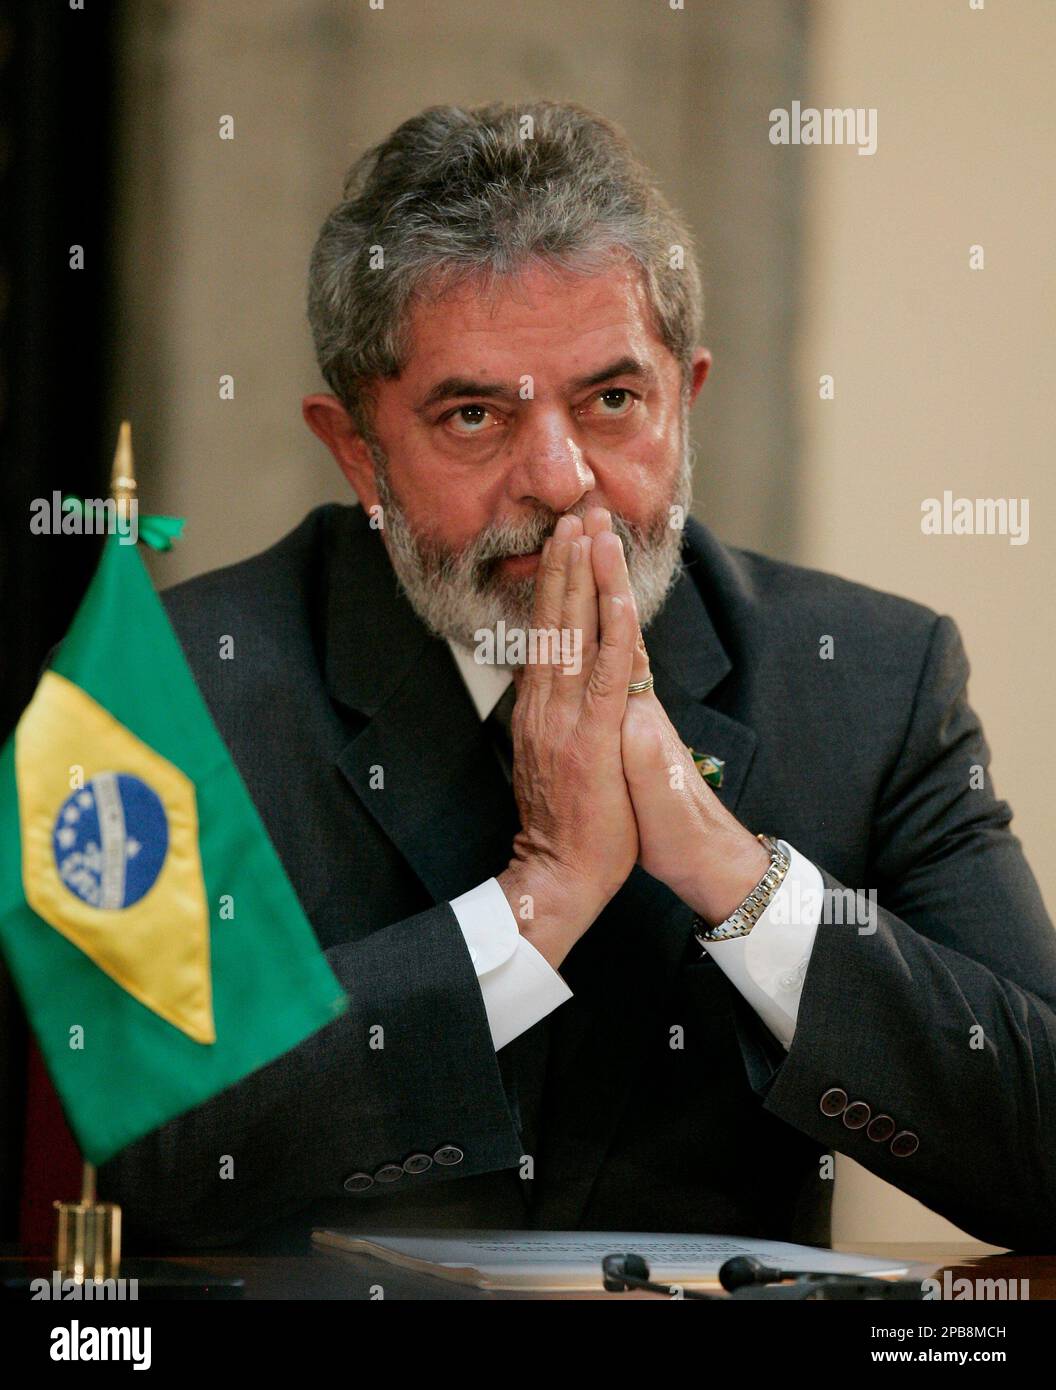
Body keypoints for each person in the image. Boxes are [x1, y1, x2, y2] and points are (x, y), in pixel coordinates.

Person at [99, 100, 1056, 1254]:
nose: (559, 481)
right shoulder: (177, 692)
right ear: (358, 450)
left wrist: (732, 873)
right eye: (472, 414)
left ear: (684, 399)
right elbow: (144, 1157)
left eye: (611, 401)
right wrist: (535, 901)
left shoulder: (872, 683)